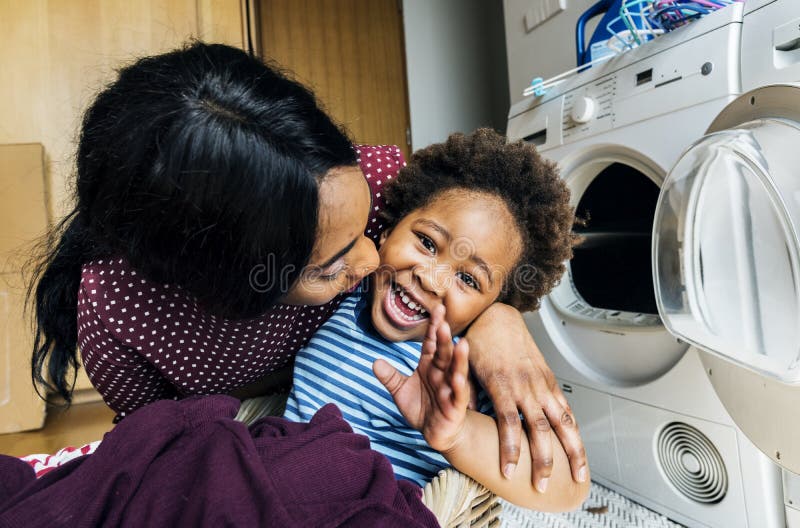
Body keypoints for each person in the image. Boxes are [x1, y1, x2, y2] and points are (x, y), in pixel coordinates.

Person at [28, 42, 586, 490]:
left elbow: (480, 250)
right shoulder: (122, 318)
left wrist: (499, 321)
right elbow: (174, 458)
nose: (370, 259)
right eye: (332, 262)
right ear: (232, 289)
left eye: (369, 227)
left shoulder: (378, 184)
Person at [284, 129, 590, 510]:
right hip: (280, 480)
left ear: (492, 306)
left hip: (367, 509)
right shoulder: (351, 290)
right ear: (388, 229)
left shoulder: (461, 366)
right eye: (427, 243)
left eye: (467, 279)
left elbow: (567, 488)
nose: (430, 278)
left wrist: (458, 431)